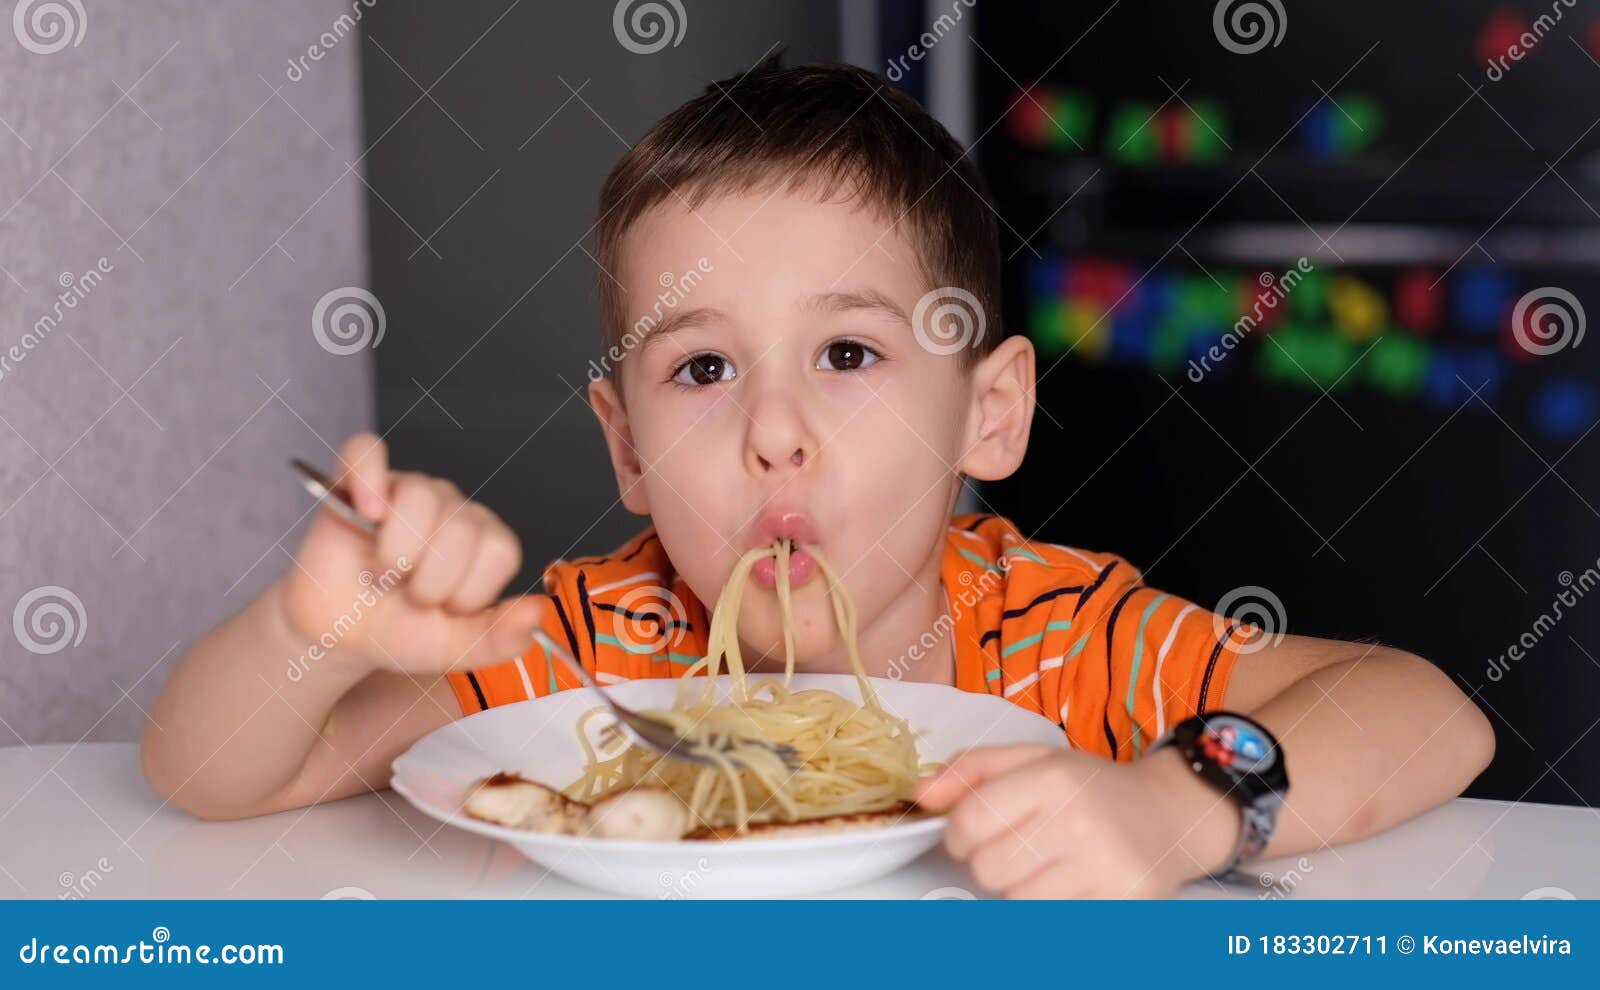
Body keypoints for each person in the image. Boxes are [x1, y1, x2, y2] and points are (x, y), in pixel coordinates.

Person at [143, 59, 1493, 898]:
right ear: (624, 444)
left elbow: (1430, 712)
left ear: (990, 410)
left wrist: (1173, 805)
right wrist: (312, 634)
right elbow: (221, 777)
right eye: (703, 369)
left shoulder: (1062, 635)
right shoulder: (591, 653)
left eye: (847, 351)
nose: (773, 433)